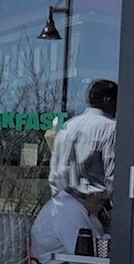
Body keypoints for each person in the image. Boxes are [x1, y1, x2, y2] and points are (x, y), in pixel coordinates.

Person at [48, 79, 117, 211]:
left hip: (66, 208)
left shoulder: (67, 127)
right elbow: (112, 177)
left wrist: (59, 204)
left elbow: (55, 174)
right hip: (97, 210)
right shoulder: (111, 129)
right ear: (108, 100)